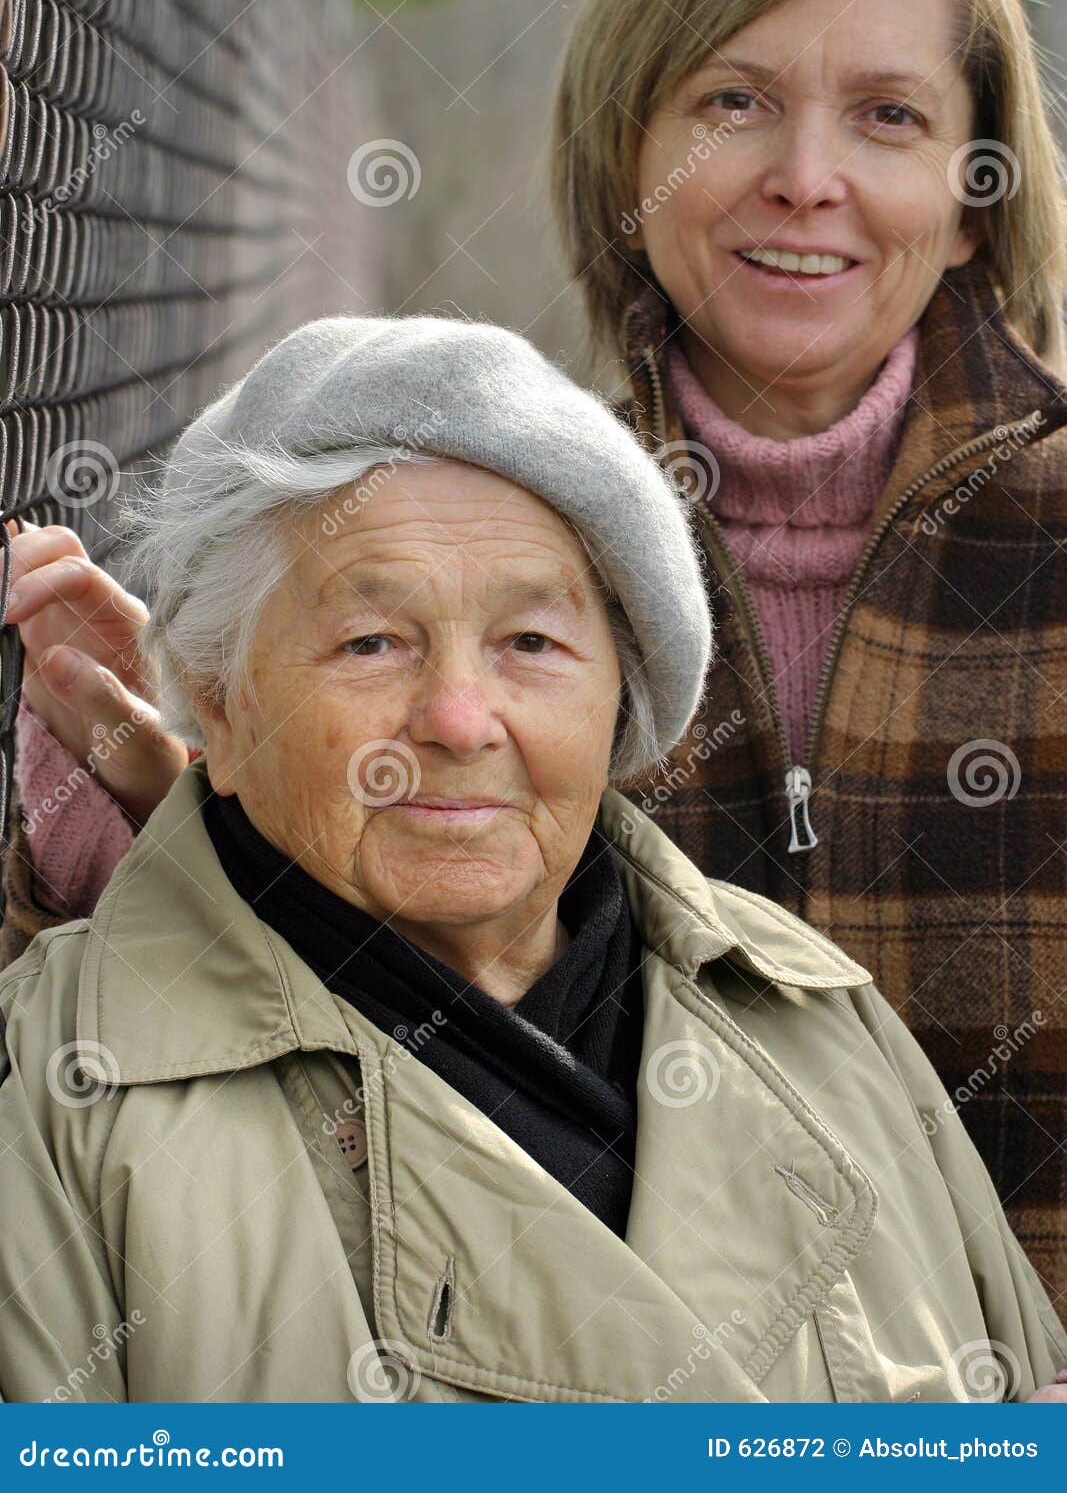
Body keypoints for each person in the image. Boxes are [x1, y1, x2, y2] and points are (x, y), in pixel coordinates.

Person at [3, 0, 1066, 1311]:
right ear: (627, 149)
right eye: (733, 102)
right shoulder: (470, 537)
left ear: (971, 191)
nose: (805, 180)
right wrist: (172, 837)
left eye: (886, 116)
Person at [0, 312, 1065, 1404]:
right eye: (372, 642)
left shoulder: (811, 1010)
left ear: (619, 705)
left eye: (531, 644)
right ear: (217, 705)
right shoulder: (56, 1104)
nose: (459, 720)